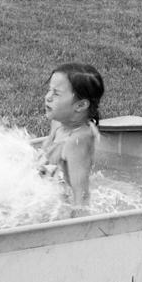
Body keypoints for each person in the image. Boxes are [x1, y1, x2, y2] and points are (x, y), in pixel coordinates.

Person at [35, 62, 103, 205]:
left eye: (56, 93)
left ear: (80, 105)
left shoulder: (77, 141)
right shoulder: (59, 122)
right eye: (49, 90)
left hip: (63, 202)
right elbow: (45, 153)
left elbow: (82, 195)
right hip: (48, 188)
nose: (48, 97)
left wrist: (75, 217)